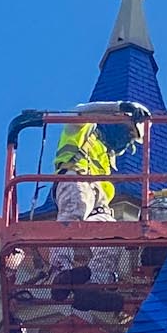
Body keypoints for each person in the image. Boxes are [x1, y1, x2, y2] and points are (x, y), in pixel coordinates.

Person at [51, 121, 118, 285]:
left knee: (112, 235)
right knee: (74, 213)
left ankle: (95, 282)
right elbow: (80, 112)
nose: (128, 139)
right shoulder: (82, 127)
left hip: (99, 200)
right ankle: (60, 272)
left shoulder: (107, 153)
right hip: (76, 178)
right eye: (129, 132)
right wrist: (118, 109)